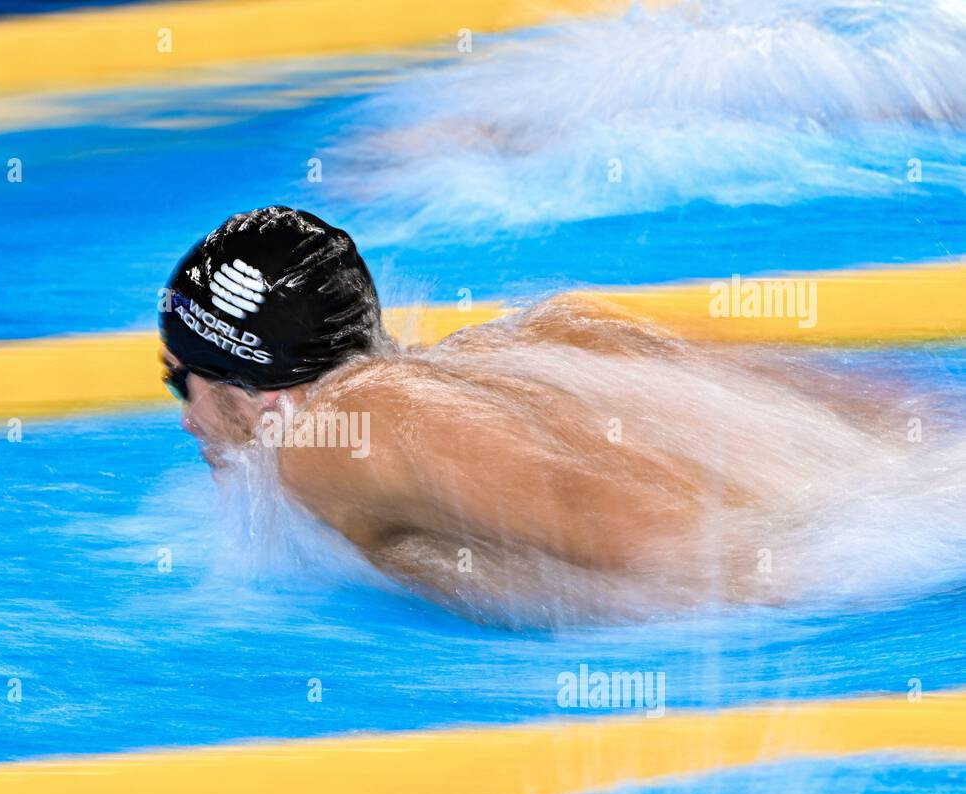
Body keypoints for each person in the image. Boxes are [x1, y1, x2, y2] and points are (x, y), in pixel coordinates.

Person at [158, 205, 903, 623]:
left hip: (835, 582)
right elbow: (868, 408)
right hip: (886, 507)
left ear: (247, 383)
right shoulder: (525, 340)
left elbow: (631, 524)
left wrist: (790, 580)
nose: (186, 418)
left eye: (179, 381)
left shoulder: (335, 438)